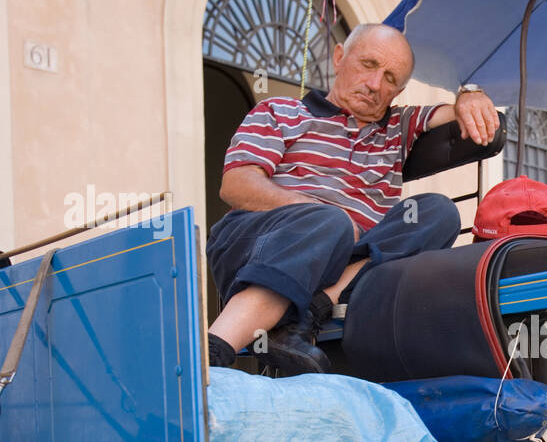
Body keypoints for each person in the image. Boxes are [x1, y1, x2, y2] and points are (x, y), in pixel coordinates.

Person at [206, 22, 499, 374]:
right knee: (329, 222)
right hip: (262, 240)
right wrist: (323, 216)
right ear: (339, 57)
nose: (376, 85)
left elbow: (458, 112)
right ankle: (212, 350)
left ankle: (309, 313)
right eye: (369, 65)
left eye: (391, 79)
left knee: (440, 211)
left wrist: (470, 93)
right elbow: (236, 185)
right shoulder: (281, 112)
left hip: (344, 266)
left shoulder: (399, 127)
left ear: (399, 90)